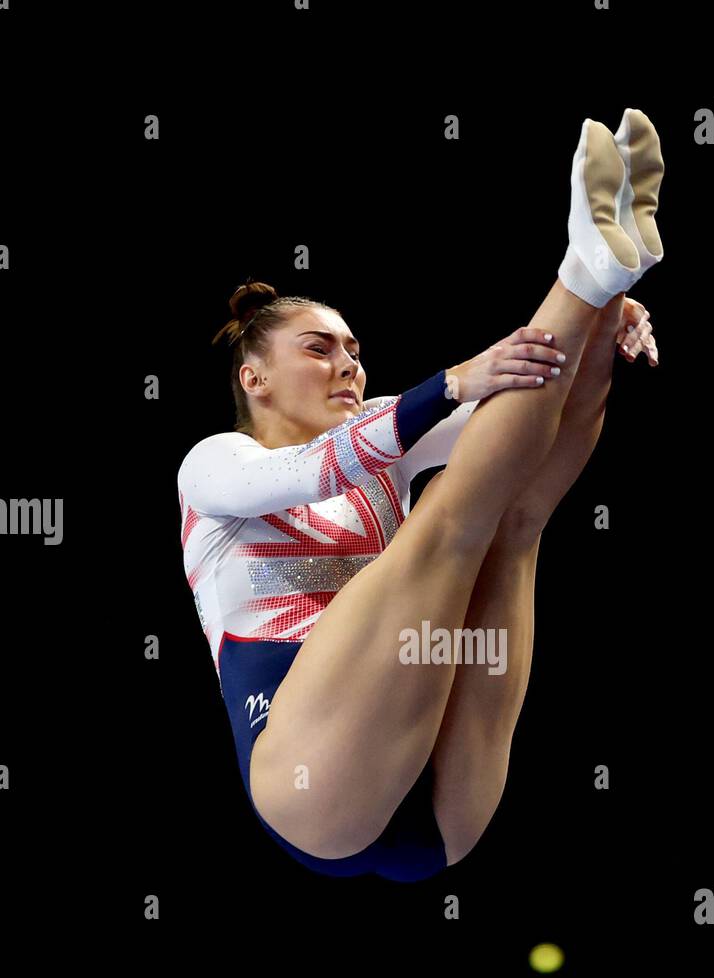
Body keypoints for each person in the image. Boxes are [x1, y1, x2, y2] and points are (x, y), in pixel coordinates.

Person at [178, 110, 663, 882]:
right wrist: (446, 384)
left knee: (514, 518)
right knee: (450, 528)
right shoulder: (214, 466)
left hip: (406, 770)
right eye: (319, 347)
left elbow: (516, 400)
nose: (348, 364)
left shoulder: (378, 439)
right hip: (320, 787)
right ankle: (584, 271)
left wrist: (594, 331)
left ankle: (600, 272)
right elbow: (311, 472)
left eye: (354, 350)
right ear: (253, 378)